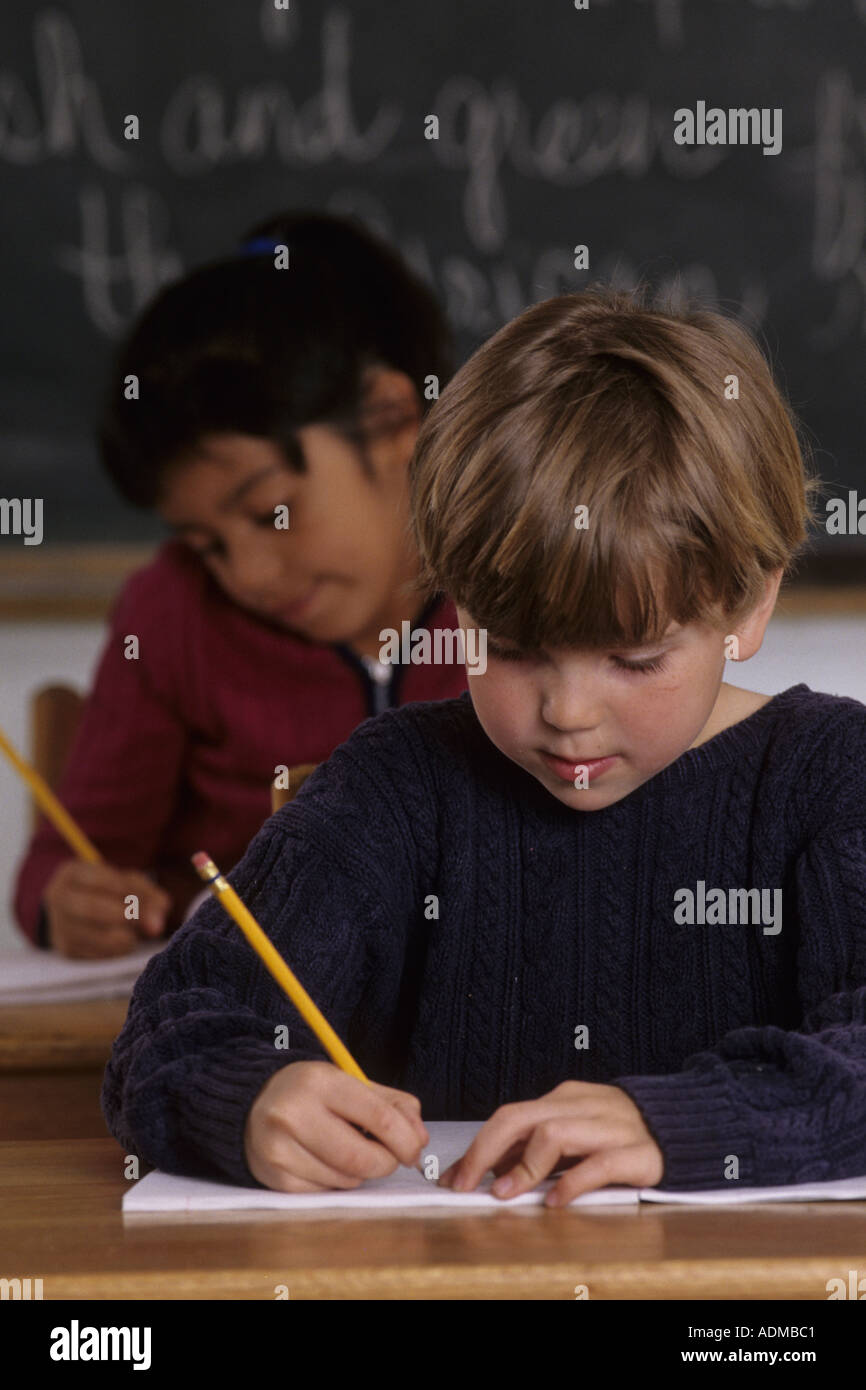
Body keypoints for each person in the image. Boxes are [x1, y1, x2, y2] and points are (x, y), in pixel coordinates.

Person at [102, 286, 866, 1202]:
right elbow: (171, 1026)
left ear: (749, 608)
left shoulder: (832, 780)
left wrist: (684, 1120)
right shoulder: (394, 787)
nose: (570, 712)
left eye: (634, 658)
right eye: (509, 648)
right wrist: (249, 1098)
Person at [15, 212, 467, 957]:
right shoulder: (172, 616)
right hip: (254, 1036)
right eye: (207, 544)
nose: (249, 574)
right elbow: (66, 865)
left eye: (271, 511)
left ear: (393, 419)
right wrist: (73, 900)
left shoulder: (524, 586)